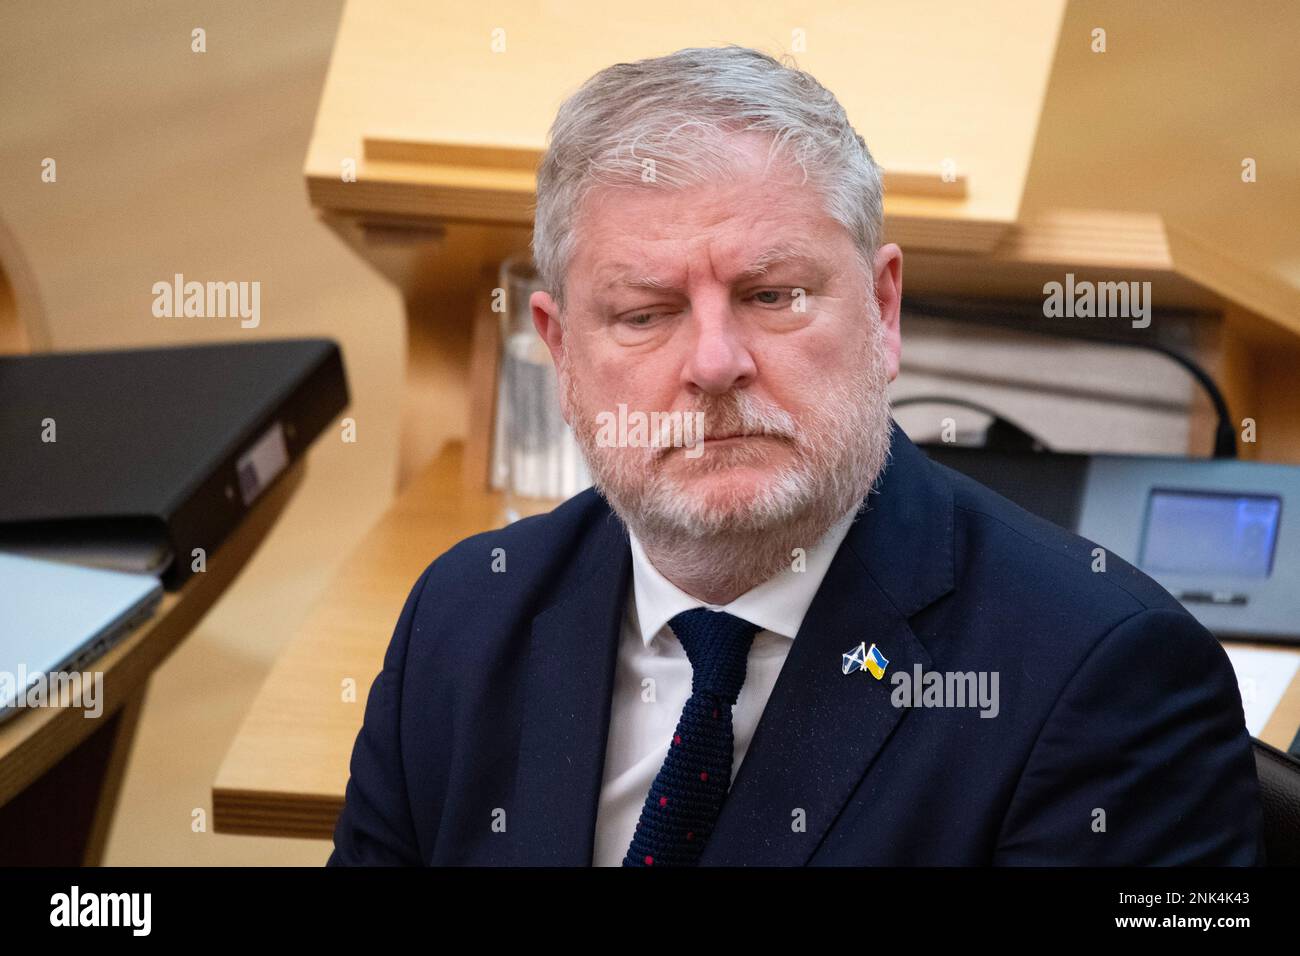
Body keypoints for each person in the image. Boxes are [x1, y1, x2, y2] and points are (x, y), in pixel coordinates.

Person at [328, 45, 1261, 866]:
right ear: (562, 353)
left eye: (773, 296)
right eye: (644, 314)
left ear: (883, 311)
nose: (714, 364)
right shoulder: (462, 617)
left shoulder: (1104, 677)